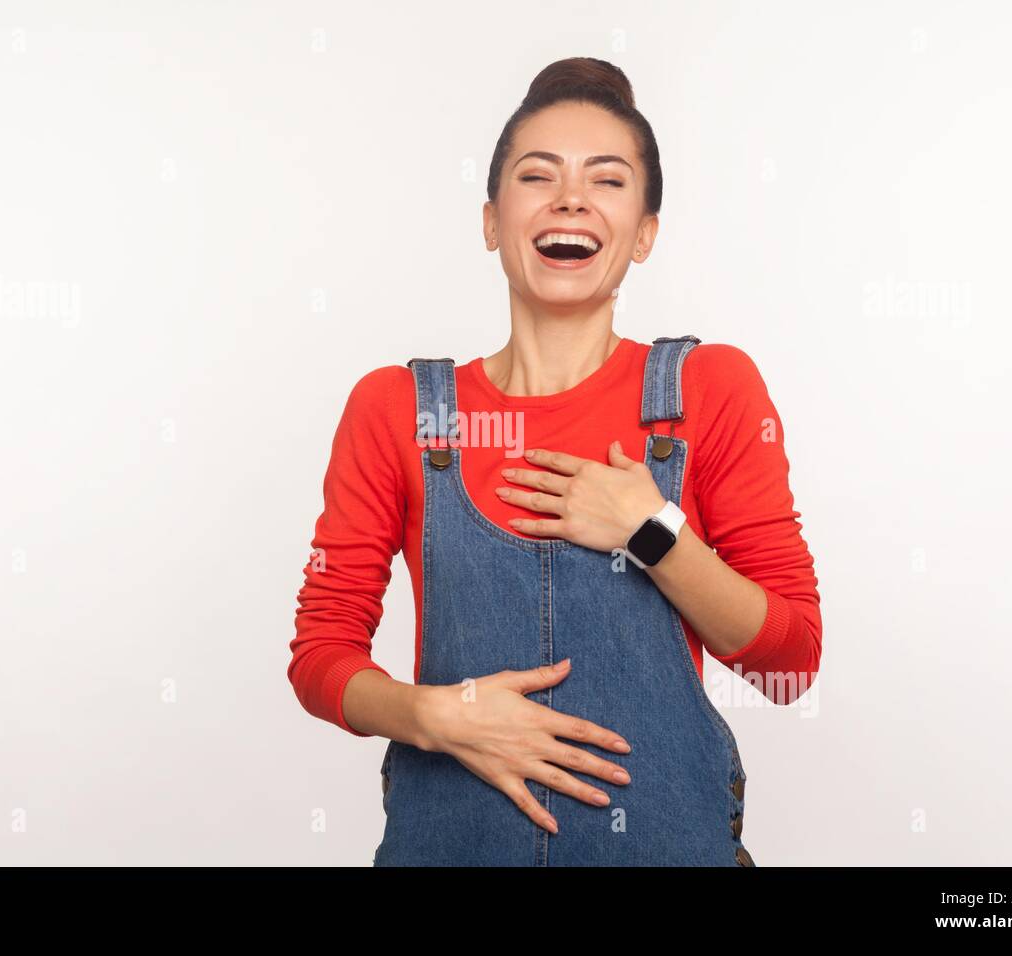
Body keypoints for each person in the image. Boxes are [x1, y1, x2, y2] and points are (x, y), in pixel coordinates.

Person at [288, 57, 822, 866]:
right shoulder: (398, 410)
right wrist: (437, 716)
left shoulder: (709, 391)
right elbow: (321, 653)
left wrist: (652, 531)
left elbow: (789, 659)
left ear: (644, 234)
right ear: (492, 221)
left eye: (607, 181)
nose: (570, 198)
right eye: (537, 176)